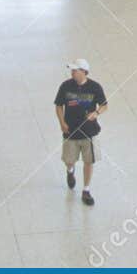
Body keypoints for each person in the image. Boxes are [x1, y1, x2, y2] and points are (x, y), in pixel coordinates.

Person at [53, 59, 106, 206]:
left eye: (75, 70)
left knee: (89, 161)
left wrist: (96, 113)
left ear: (84, 72)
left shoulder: (95, 87)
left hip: (89, 133)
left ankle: (86, 190)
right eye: (72, 70)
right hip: (70, 131)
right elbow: (58, 106)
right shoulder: (66, 86)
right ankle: (70, 171)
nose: (72, 73)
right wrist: (62, 123)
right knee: (68, 160)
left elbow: (104, 105)